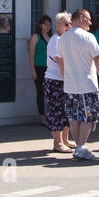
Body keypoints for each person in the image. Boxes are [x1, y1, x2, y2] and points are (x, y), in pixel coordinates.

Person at [59, 8, 99, 161]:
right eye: (88, 19)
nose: (90, 23)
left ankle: (80, 147)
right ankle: (81, 146)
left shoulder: (63, 38)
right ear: (81, 18)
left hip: (70, 85)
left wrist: (65, 78)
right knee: (89, 116)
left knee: (74, 117)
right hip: (87, 84)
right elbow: (98, 60)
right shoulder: (88, 37)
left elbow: (61, 62)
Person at [42, 12, 72, 153]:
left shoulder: (67, 40)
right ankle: (57, 142)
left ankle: (65, 139)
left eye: (70, 23)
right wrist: (67, 79)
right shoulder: (55, 41)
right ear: (58, 25)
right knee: (56, 111)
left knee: (66, 111)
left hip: (66, 80)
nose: (69, 26)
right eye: (66, 24)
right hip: (55, 80)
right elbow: (61, 62)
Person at [27, 14, 52, 119]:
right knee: (41, 92)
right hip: (39, 68)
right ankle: (42, 116)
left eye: (50, 25)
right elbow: (31, 55)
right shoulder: (35, 37)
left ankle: (51, 115)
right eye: (45, 24)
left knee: (51, 92)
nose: (48, 27)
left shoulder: (51, 37)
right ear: (41, 25)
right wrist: (33, 71)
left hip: (50, 69)